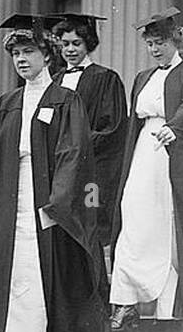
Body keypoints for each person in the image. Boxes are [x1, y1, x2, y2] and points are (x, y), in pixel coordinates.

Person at [0, 14, 113, 332]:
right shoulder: (7, 103)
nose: (21, 59)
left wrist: (57, 206)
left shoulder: (65, 100)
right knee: (2, 287)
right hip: (8, 206)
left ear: (47, 54)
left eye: (28, 51)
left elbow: (74, 156)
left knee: (36, 288)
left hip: (46, 208)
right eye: (15, 53)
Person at [109, 8, 183, 329]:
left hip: (173, 154)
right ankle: (126, 301)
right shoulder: (143, 78)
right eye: (150, 44)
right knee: (134, 215)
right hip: (144, 151)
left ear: (175, 40)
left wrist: (175, 126)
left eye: (160, 42)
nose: (155, 49)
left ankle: (170, 304)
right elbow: (134, 120)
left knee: (165, 224)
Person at [51, 13, 129, 249]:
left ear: (88, 44)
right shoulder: (54, 80)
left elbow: (112, 126)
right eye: (65, 44)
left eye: (77, 43)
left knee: (90, 220)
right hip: (59, 166)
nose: (70, 50)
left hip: (92, 166)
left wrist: (78, 146)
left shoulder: (106, 78)